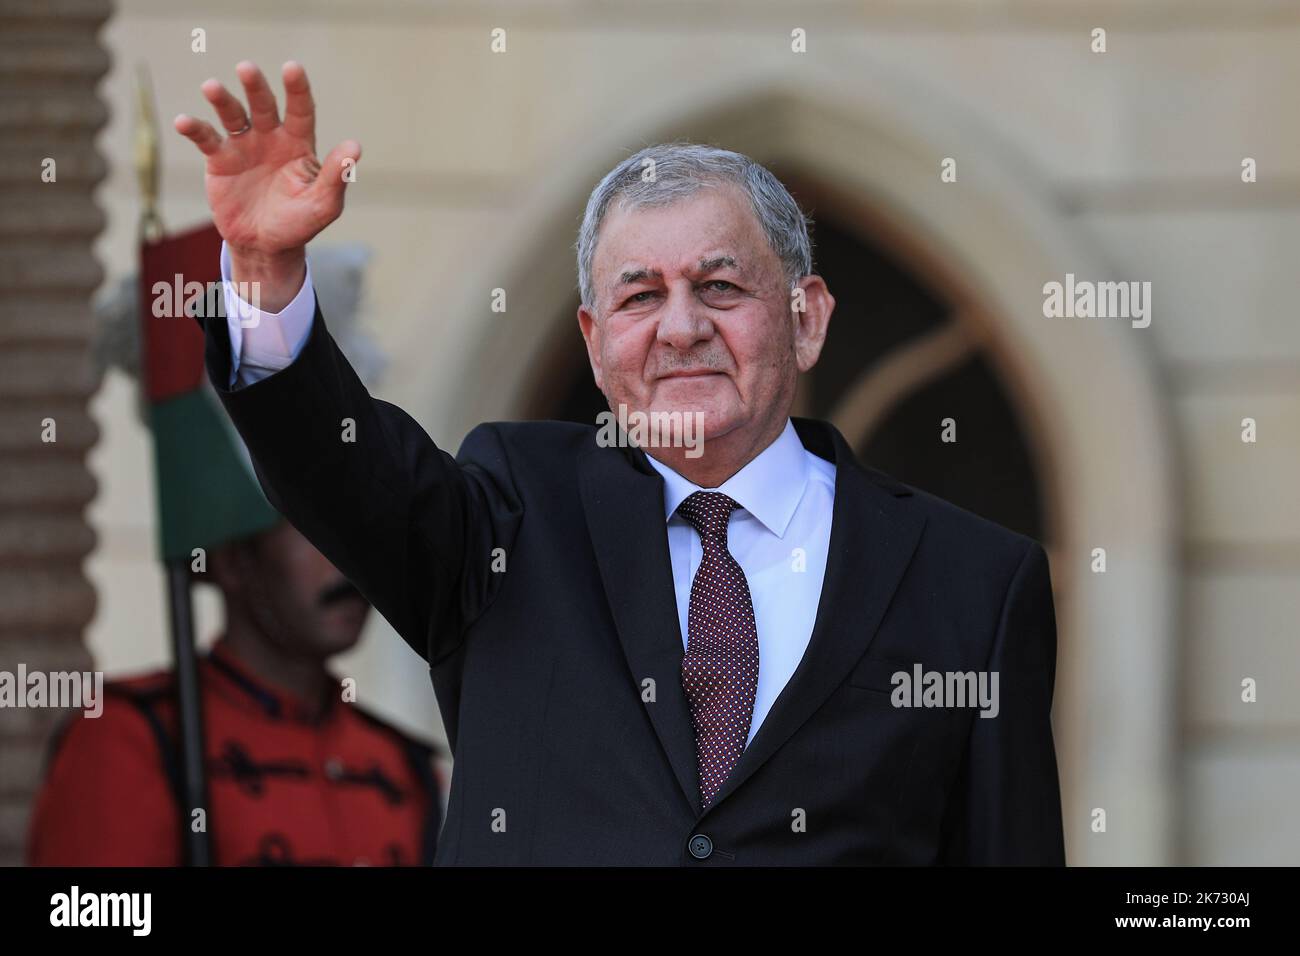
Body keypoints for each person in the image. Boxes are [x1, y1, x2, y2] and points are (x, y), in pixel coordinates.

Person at [172, 60, 1065, 865]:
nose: (681, 328)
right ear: (597, 348)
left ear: (806, 318)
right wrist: (263, 273)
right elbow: (343, 471)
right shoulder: (513, 513)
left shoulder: (975, 581)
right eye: (641, 296)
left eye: (720, 287)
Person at [28, 521, 444, 866]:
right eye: (311, 529)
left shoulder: (402, 761)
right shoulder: (129, 736)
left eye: (359, 528)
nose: (350, 562)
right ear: (233, 562)